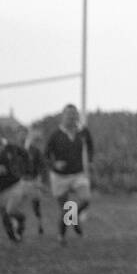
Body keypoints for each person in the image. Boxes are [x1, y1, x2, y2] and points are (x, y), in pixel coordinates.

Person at [46, 105, 94, 246]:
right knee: (67, 208)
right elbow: (46, 156)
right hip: (60, 177)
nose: (71, 117)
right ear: (63, 116)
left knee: (85, 200)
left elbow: (90, 146)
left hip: (78, 173)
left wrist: (90, 160)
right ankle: (62, 235)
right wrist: (55, 164)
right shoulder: (56, 135)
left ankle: (75, 217)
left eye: (74, 114)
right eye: (68, 114)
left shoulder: (83, 132)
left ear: (77, 116)